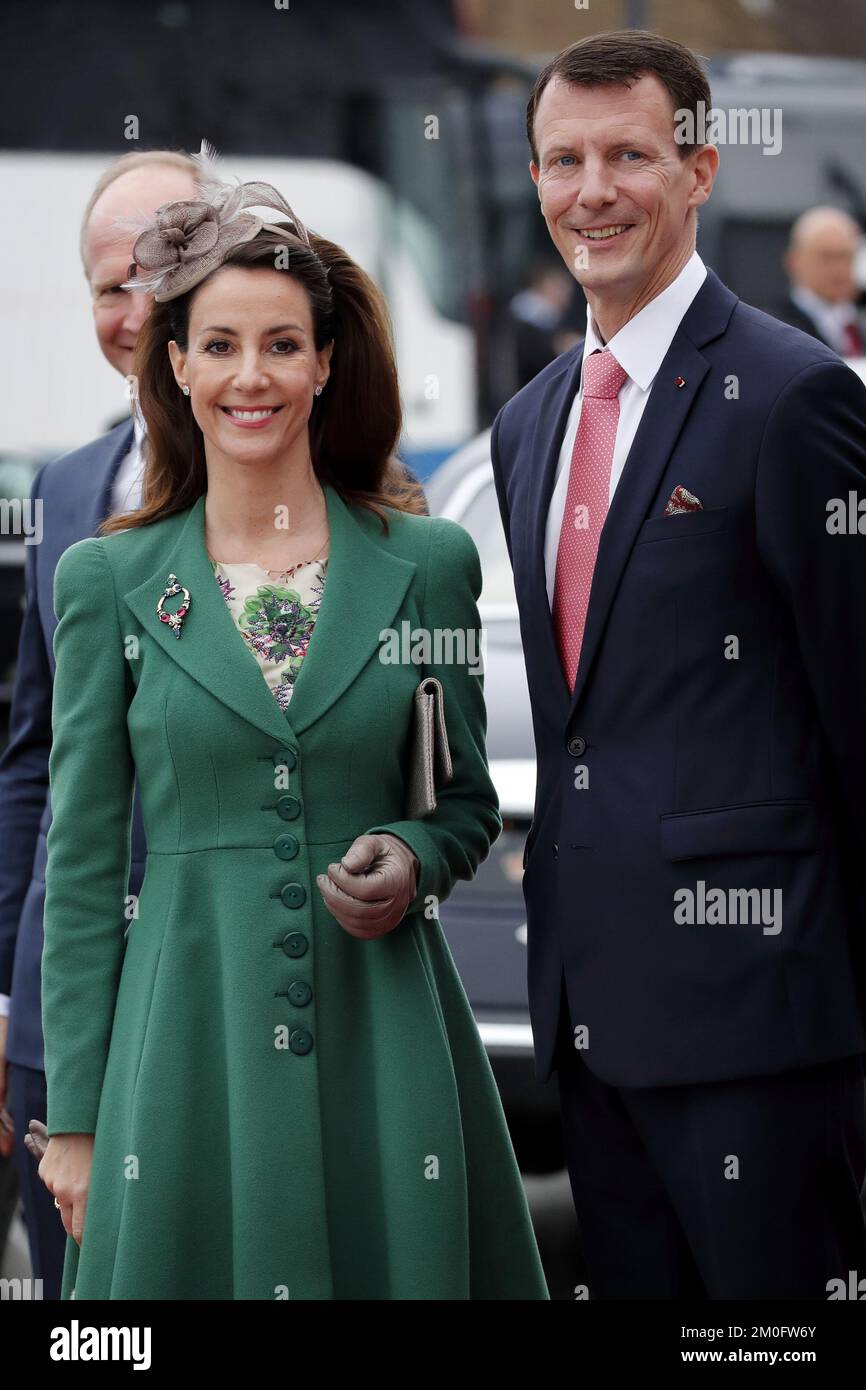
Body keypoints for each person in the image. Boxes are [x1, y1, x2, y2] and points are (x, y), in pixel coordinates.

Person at [35, 163, 550, 1301]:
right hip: (182, 1056)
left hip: (389, 1048)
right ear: (174, 364)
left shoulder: (426, 568)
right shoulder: (104, 581)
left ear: (324, 363)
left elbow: (458, 801)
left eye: (279, 344)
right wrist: (73, 1121)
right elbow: (76, 869)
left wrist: (415, 857)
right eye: (218, 345)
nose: (248, 375)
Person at [490, 29, 866, 1299]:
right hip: (589, 1012)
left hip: (760, 1020)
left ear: (699, 169)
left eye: (627, 156)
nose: (589, 190)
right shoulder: (527, 421)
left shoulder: (794, 396)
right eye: (561, 160)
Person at [0, 149, 199, 1298]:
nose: (134, 314)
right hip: (56, 1016)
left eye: (159, 279)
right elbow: (34, 760)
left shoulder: (300, 490)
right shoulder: (69, 490)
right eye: (107, 287)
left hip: (213, 998)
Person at [773, 205, 866, 357]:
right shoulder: (776, 330)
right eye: (826, 257)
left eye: (846, 257)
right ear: (794, 261)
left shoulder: (857, 325)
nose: (839, 269)